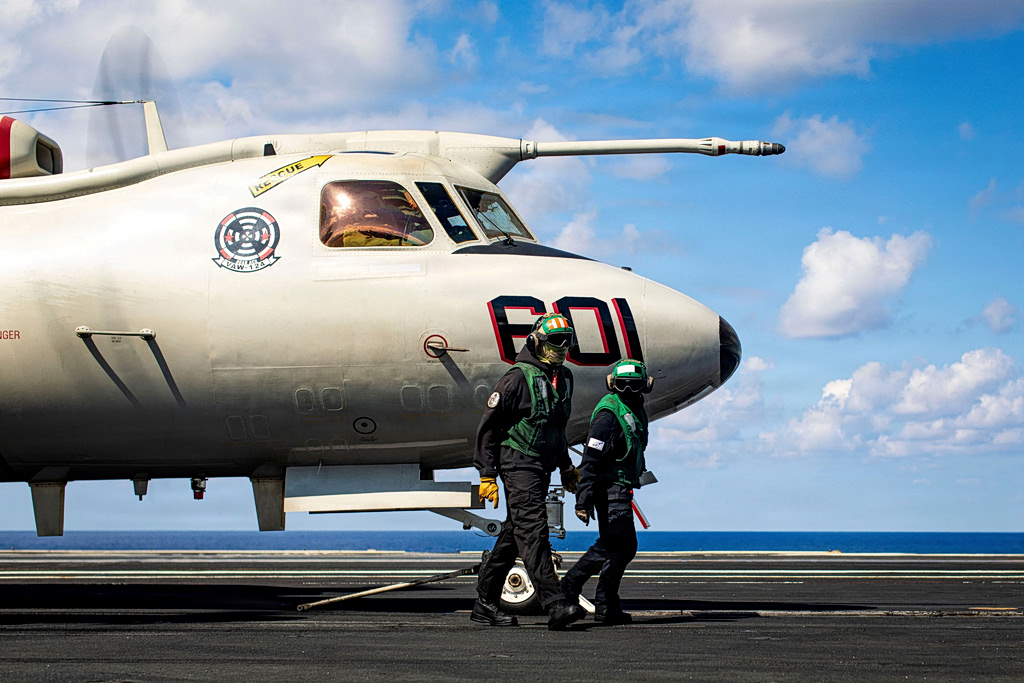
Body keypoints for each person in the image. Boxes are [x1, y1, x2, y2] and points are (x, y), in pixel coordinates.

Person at [471, 313, 585, 630]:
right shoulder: (516, 379)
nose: (561, 348)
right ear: (536, 342)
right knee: (534, 531)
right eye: (554, 342)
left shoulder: (564, 379)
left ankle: (485, 603)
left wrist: (566, 467)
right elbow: (488, 430)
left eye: (566, 341)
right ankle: (556, 604)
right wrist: (486, 474)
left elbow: (557, 428)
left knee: (514, 535)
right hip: (518, 462)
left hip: (542, 465)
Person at [560, 358, 653, 625]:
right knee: (617, 545)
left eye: (635, 386)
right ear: (613, 384)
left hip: (620, 487)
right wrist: (583, 500)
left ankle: (606, 605)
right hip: (608, 489)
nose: (629, 390)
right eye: (624, 385)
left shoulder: (633, 408)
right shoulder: (608, 415)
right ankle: (572, 587)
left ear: (644, 387)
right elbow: (590, 459)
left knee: (621, 547)